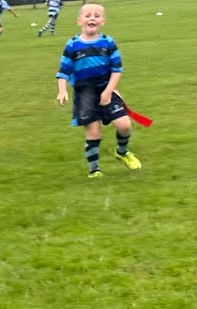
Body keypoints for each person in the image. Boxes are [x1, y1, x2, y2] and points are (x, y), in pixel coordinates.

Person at [54, 3, 142, 178]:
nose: (92, 18)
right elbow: (63, 71)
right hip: (84, 92)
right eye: (87, 15)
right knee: (93, 131)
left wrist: (109, 91)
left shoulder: (108, 43)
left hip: (106, 87)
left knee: (124, 125)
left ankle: (122, 152)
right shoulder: (72, 45)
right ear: (79, 21)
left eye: (96, 15)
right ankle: (94, 170)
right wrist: (62, 90)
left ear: (102, 21)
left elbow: (117, 70)